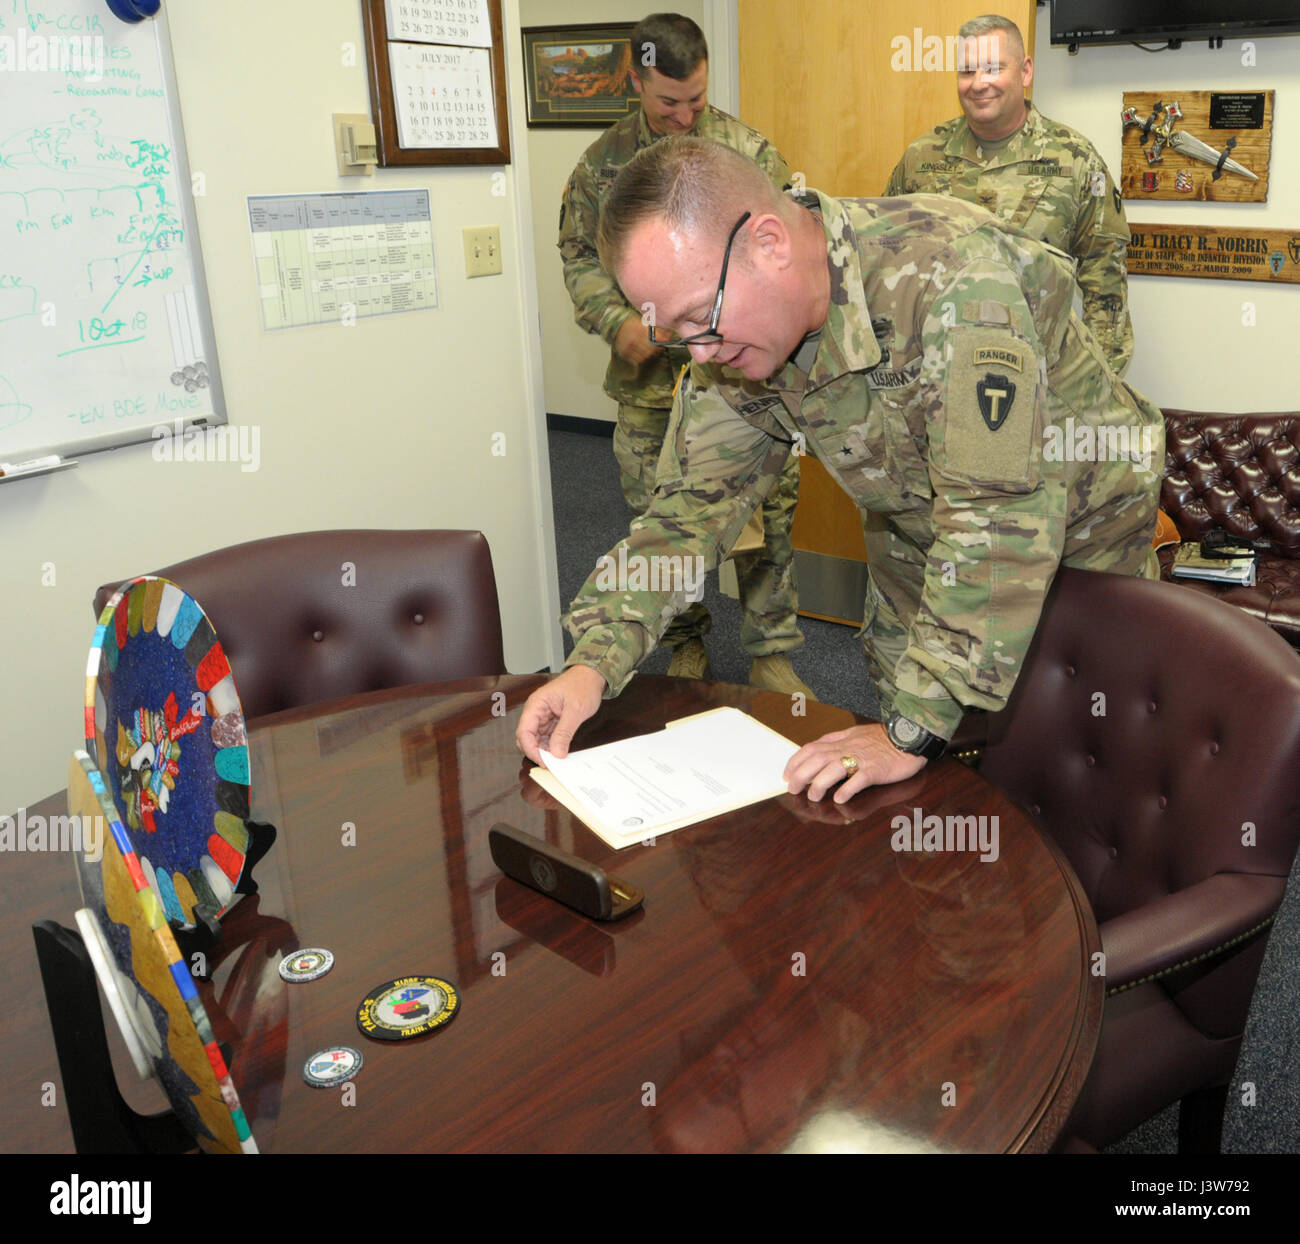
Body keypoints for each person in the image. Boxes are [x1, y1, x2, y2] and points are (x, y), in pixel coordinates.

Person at [519, 136, 1163, 803]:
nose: (699, 352)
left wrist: (912, 728)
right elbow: (688, 511)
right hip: (923, 539)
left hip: (1079, 547)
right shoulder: (729, 346)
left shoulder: (955, 281)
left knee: (1075, 766)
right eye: (673, 332)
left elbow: (998, 519)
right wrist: (594, 660)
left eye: (699, 317)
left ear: (770, 243)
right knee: (930, 787)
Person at [558, 12, 810, 695]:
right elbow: (579, 255)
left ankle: (771, 650)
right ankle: (685, 641)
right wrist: (617, 320)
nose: (684, 116)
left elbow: (790, 245)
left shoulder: (745, 150)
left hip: (742, 378)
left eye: (696, 99)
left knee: (767, 511)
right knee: (662, 512)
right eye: (669, 102)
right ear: (635, 79)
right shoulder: (603, 165)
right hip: (650, 382)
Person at [885, 14, 1134, 376]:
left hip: (1037, 378)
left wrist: (1095, 382)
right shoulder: (922, 158)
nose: (978, 83)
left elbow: (1106, 285)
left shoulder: (1075, 161)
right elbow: (886, 259)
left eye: (992, 68)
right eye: (967, 71)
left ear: (1025, 71)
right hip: (935, 375)